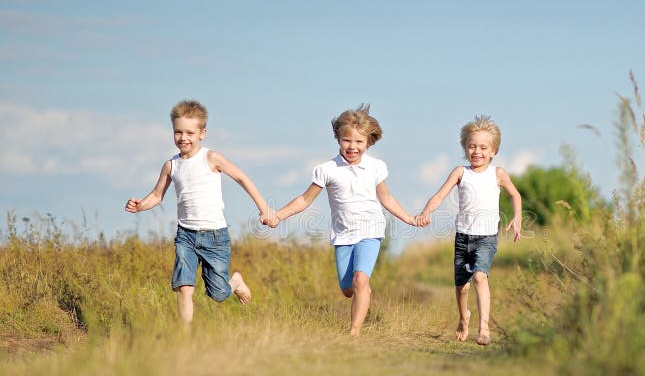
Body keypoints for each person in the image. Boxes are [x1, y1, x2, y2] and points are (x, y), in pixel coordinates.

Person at [266, 104, 416, 336]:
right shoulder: (327, 169)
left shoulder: (375, 167)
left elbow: (386, 198)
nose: (352, 147)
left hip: (371, 230)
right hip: (343, 235)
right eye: (347, 140)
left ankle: (354, 331)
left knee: (360, 279)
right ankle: (361, 291)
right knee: (348, 289)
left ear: (368, 142)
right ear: (338, 139)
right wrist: (278, 215)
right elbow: (305, 200)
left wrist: (409, 218)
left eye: (359, 142)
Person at [125, 99, 276, 324]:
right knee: (184, 287)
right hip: (186, 235)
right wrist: (140, 206)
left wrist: (264, 209)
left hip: (215, 236)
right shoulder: (171, 165)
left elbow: (241, 178)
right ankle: (184, 337)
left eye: (189, 132)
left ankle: (235, 282)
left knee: (219, 294)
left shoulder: (211, 158)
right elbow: (157, 196)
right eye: (178, 132)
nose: (183, 138)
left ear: (202, 133)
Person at [416, 115, 522, 345]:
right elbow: (439, 196)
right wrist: (426, 212)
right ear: (465, 148)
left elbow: (515, 194)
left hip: (486, 237)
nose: (477, 152)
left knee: (480, 277)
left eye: (483, 147)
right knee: (461, 287)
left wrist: (517, 216)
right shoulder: (460, 173)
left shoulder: (498, 174)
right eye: (472, 146)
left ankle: (484, 328)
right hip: (463, 237)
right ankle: (464, 318)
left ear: (493, 151)